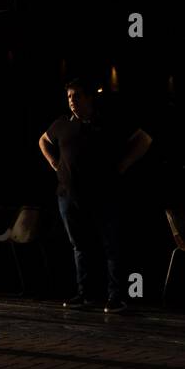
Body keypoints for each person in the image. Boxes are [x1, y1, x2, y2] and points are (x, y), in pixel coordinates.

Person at [38, 78, 152, 314]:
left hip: (104, 194)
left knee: (111, 245)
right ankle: (85, 294)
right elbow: (43, 140)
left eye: (77, 95)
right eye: (69, 96)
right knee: (79, 245)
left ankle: (116, 296)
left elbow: (144, 139)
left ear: (89, 98)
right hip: (69, 195)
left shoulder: (108, 121)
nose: (72, 101)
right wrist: (54, 163)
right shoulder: (63, 123)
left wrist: (123, 166)